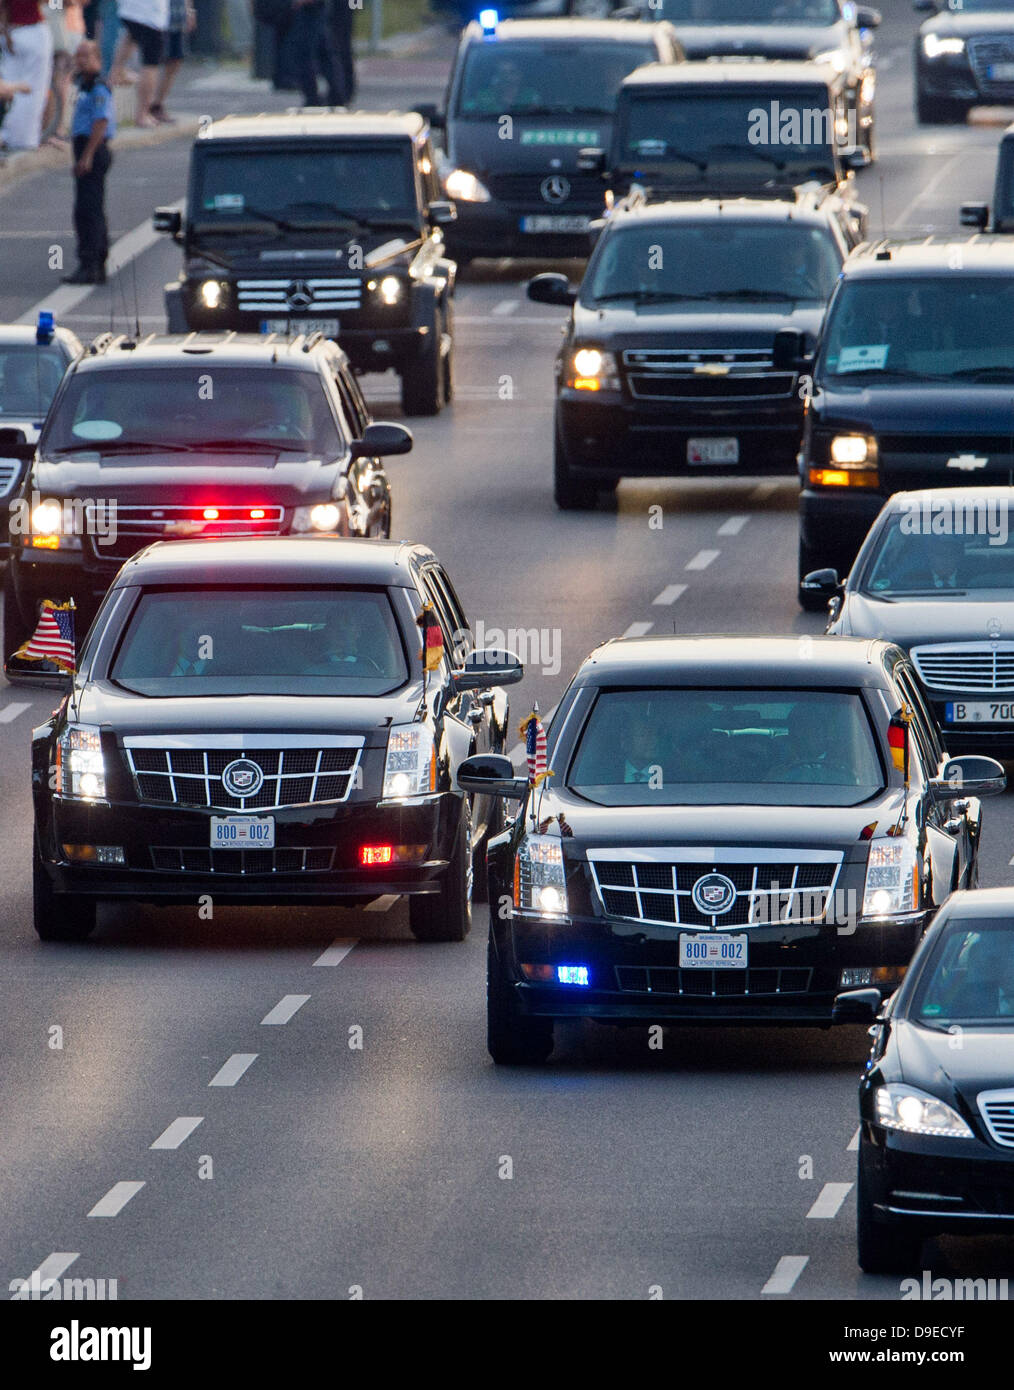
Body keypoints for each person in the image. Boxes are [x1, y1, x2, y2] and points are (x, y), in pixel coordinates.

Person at [63, 38, 114, 285]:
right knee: (87, 208)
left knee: (87, 210)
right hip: (83, 147)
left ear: (97, 59)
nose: (80, 61)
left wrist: (87, 156)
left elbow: (100, 123)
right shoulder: (83, 84)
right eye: (78, 56)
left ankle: (91, 263)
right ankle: (95, 263)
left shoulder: (98, 88)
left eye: (85, 56)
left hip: (92, 148)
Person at [0, 0, 53, 151]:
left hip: (11, 32)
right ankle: (23, 138)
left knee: (9, 88)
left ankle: (7, 134)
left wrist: (4, 30)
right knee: (32, 92)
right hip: (33, 30)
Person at [109, 0, 165, 127]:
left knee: (130, 38)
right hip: (150, 13)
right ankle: (142, 114)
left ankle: (116, 73)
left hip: (130, 9)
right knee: (151, 64)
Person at [149, 0, 193, 124]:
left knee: (175, 61)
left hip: (177, 16)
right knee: (154, 61)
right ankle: (150, 104)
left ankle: (157, 104)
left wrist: (189, 10)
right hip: (157, 16)